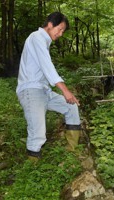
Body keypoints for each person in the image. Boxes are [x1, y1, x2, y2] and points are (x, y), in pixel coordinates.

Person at [16, 12, 81, 160]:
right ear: (50, 25)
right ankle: (31, 168)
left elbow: (45, 70)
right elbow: (48, 67)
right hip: (31, 91)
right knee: (38, 133)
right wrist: (65, 90)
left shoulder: (44, 41)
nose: (61, 34)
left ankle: (72, 152)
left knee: (71, 107)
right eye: (60, 29)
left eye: (63, 31)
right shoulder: (36, 37)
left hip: (43, 91)